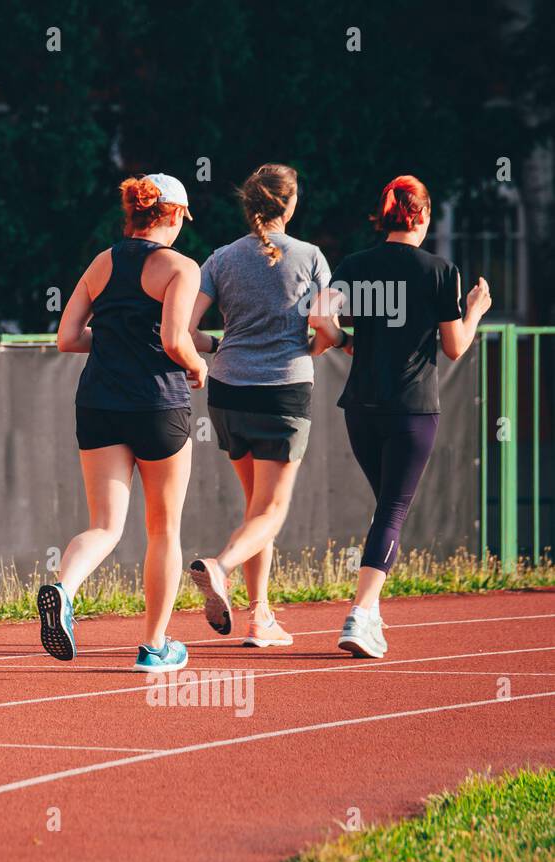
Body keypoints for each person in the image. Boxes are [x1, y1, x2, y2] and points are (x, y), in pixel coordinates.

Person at [311, 175, 492, 658]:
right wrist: (475, 310)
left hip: (361, 408)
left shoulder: (354, 264)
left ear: (384, 215)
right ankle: (361, 613)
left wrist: (347, 340)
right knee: (392, 511)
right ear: (425, 217)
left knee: (387, 510)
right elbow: (455, 348)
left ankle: (372, 613)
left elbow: (319, 320)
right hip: (411, 408)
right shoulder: (440, 271)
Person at [37, 174, 206, 674]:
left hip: (99, 403)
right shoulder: (181, 267)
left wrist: (115, 339)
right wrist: (196, 366)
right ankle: (154, 646)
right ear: (173, 215)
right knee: (163, 529)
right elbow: (177, 340)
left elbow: (67, 338)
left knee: (105, 525)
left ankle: (64, 589)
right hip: (159, 404)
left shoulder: (102, 261)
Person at [186, 164, 330, 647]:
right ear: (289, 205)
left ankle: (259, 617)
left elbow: (186, 329)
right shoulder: (309, 256)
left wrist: (217, 347)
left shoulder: (221, 258)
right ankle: (220, 567)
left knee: (255, 509)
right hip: (282, 390)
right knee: (273, 510)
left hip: (228, 392)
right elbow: (326, 328)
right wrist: (319, 346)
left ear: (248, 205)